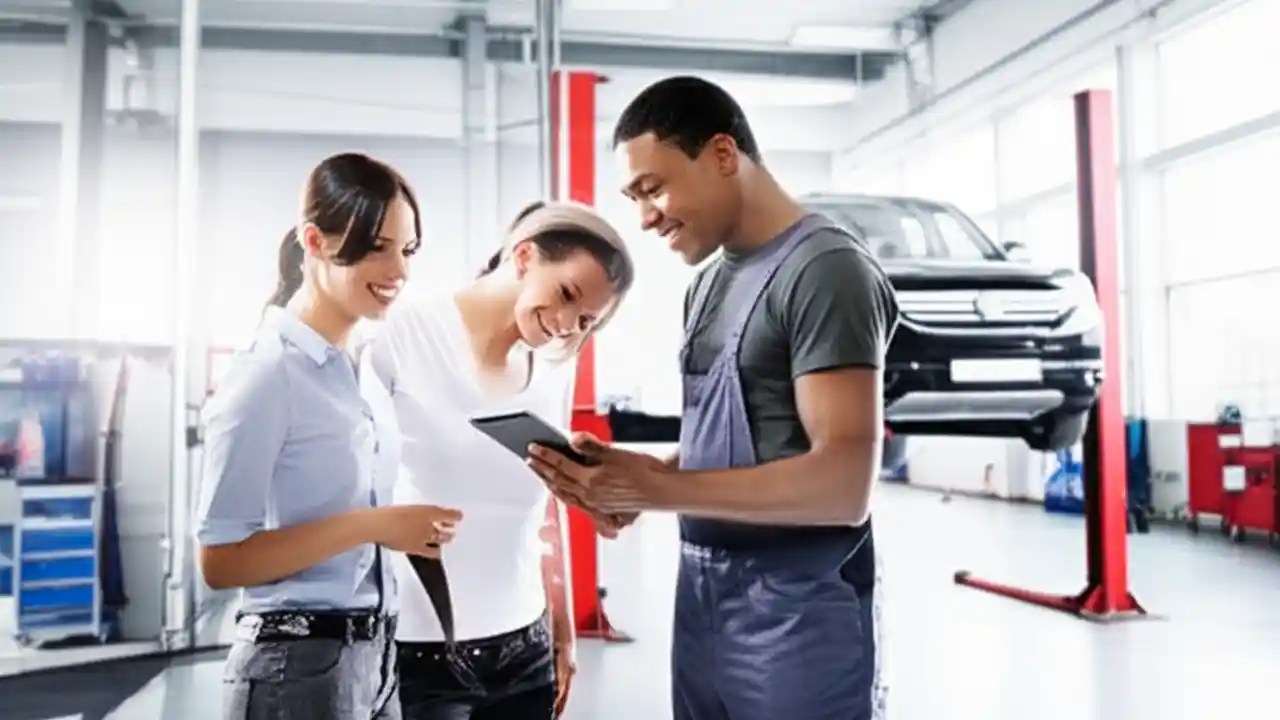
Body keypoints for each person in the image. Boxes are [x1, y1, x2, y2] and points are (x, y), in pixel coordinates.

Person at [527, 76, 899, 720]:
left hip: (800, 613)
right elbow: (739, 445)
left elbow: (843, 483)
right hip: (702, 598)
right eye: (634, 197)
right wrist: (624, 481)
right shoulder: (706, 288)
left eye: (654, 188)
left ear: (723, 155)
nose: (644, 217)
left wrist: (656, 490)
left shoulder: (826, 271)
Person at [196, 152, 464, 720]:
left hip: (374, 659)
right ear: (314, 242)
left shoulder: (357, 368)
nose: (399, 271)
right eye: (376, 247)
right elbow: (219, 561)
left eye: (407, 249)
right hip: (293, 668)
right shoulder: (269, 373)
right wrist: (376, 526)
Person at [364, 200, 635, 720]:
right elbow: (353, 490)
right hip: (420, 649)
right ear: (525, 255)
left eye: (584, 320)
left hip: (524, 648)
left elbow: (546, 509)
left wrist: (563, 627)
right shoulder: (403, 333)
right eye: (565, 295)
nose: (564, 325)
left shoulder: (554, 368)